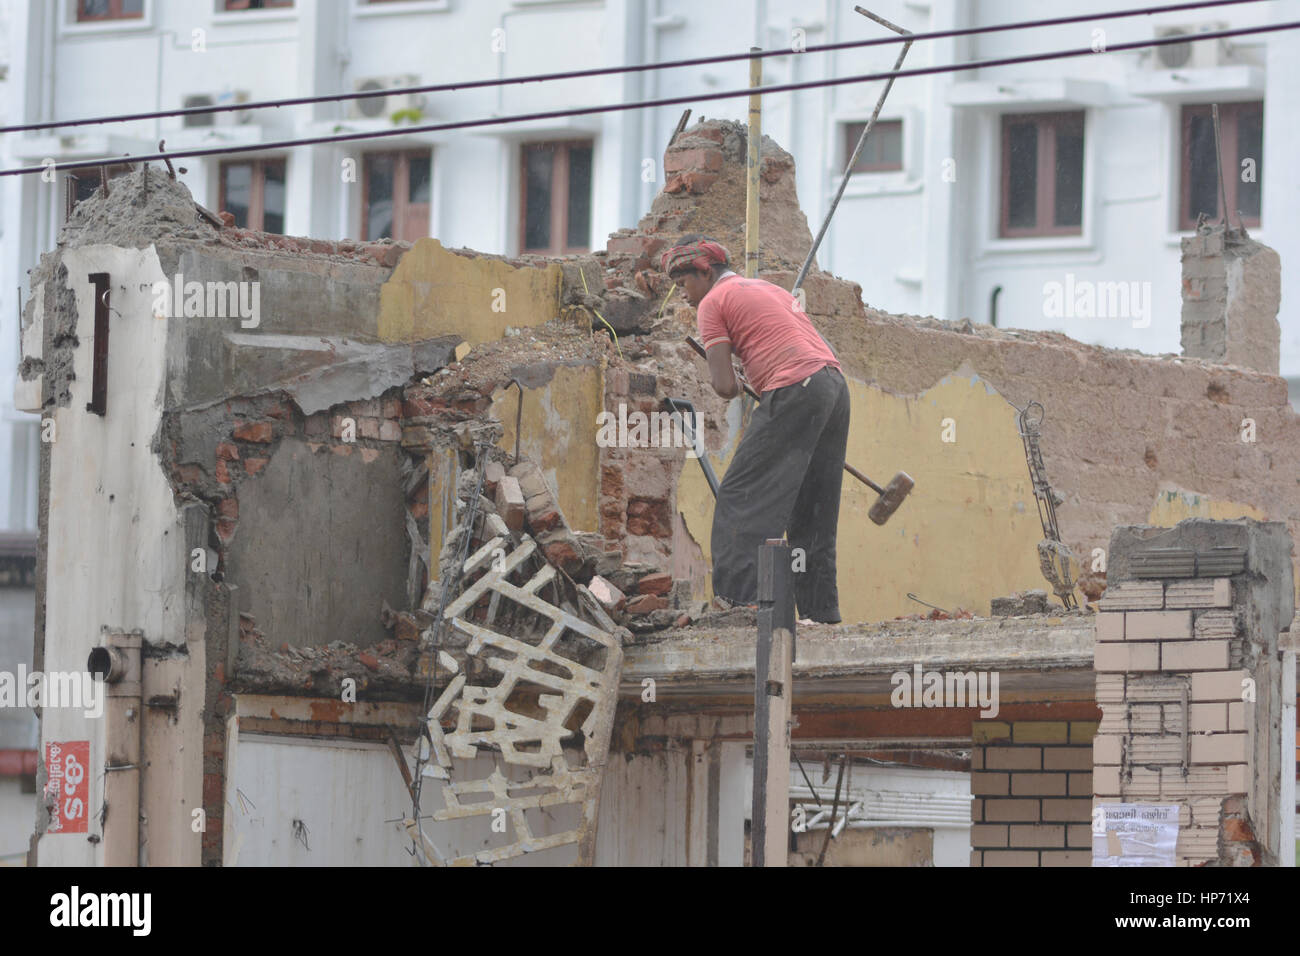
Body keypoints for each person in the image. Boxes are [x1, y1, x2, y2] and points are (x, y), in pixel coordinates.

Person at [661, 235, 850, 624]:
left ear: (705, 271)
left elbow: (726, 387)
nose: (683, 295)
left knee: (741, 498)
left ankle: (740, 607)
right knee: (812, 509)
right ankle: (821, 614)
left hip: (796, 387)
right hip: (833, 386)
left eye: (684, 284)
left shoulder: (713, 302)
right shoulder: (767, 288)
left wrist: (734, 368)